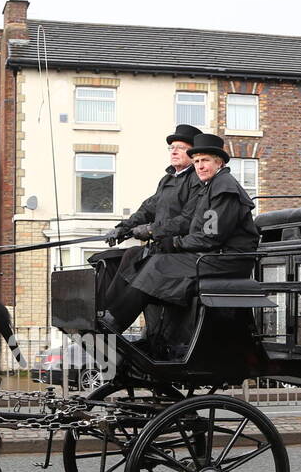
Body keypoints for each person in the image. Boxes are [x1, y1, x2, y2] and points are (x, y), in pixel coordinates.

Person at [99, 132, 260, 339]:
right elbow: (158, 211)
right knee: (148, 260)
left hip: (226, 259)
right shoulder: (210, 187)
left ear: (219, 163)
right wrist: (128, 227)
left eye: (206, 161)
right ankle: (117, 318)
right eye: (197, 161)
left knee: (157, 266)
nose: (200, 166)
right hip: (213, 254)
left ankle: (115, 323)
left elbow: (211, 237)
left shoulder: (224, 189)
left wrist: (175, 243)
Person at [95, 124, 203, 307]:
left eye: (181, 148)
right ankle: (101, 310)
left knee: (134, 259)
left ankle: (113, 316)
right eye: (172, 147)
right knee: (108, 260)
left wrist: (151, 230)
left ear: (194, 154)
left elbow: (187, 220)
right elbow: (148, 208)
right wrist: (123, 227)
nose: (174, 151)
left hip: (178, 249)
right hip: (161, 245)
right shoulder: (167, 179)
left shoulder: (196, 179)